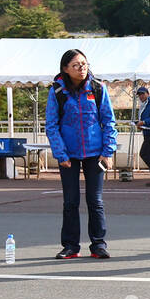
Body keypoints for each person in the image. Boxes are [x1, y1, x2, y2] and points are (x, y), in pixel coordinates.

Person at [47, 49, 117, 259]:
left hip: (95, 154)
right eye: (76, 65)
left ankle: (98, 244)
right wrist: (61, 154)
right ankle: (70, 246)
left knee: (95, 201)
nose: (82, 68)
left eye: (84, 63)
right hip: (68, 155)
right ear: (65, 69)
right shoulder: (57, 92)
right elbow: (51, 125)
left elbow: (109, 121)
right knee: (70, 201)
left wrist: (108, 151)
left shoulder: (97, 89)